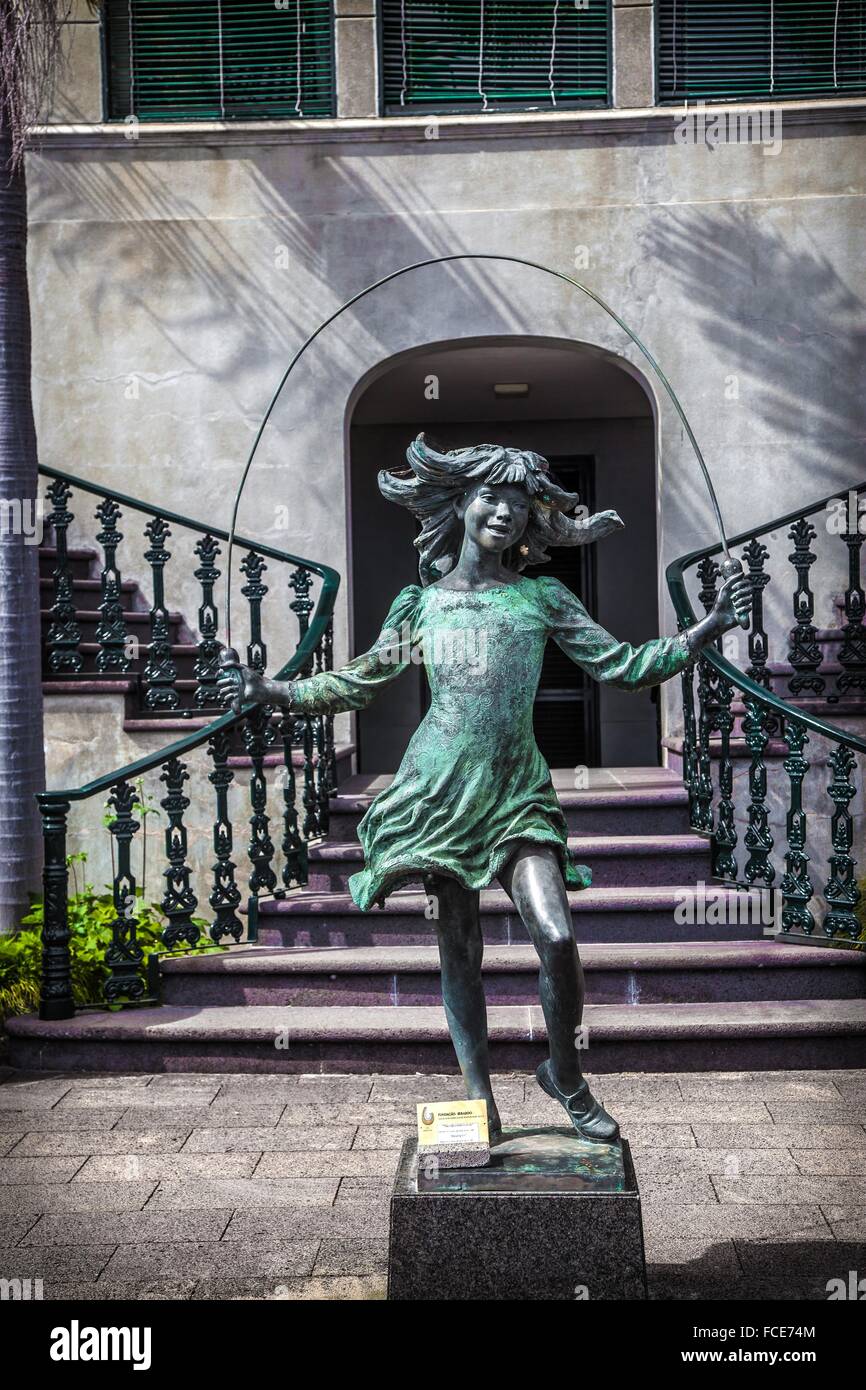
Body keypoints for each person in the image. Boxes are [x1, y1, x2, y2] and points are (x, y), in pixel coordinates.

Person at [218, 436, 751, 1143]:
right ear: (460, 504)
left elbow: (623, 666)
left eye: (519, 503)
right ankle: (478, 1100)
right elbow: (360, 680)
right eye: (490, 497)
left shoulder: (542, 596)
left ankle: (565, 1074)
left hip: (517, 792)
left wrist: (706, 629)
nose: (504, 512)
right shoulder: (421, 605)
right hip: (439, 793)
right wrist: (274, 691)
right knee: (460, 952)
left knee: (556, 936)